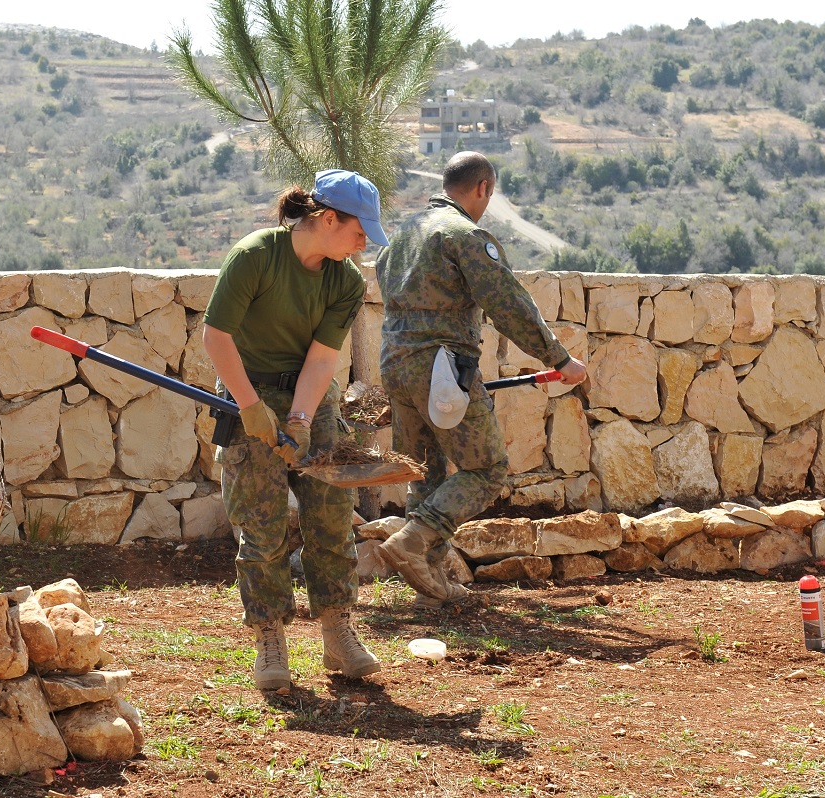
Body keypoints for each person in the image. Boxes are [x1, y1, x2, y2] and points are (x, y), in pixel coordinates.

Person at [203, 169, 388, 690]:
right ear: (328, 219)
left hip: (312, 400)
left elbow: (323, 358)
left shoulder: (346, 281)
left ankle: (338, 632)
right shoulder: (256, 256)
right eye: (358, 232)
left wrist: (302, 420)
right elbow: (217, 337)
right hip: (247, 392)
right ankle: (269, 638)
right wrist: (251, 408)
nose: (363, 244)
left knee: (330, 517)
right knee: (259, 525)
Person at [375, 151, 587, 605]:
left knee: (424, 473)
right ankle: (413, 544)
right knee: (486, 470)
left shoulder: (401, 237)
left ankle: (427, 586)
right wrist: (559, 358)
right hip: (442, 369)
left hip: (396, 365)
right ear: (483, 188)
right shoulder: (465, 236)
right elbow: (508, 304)